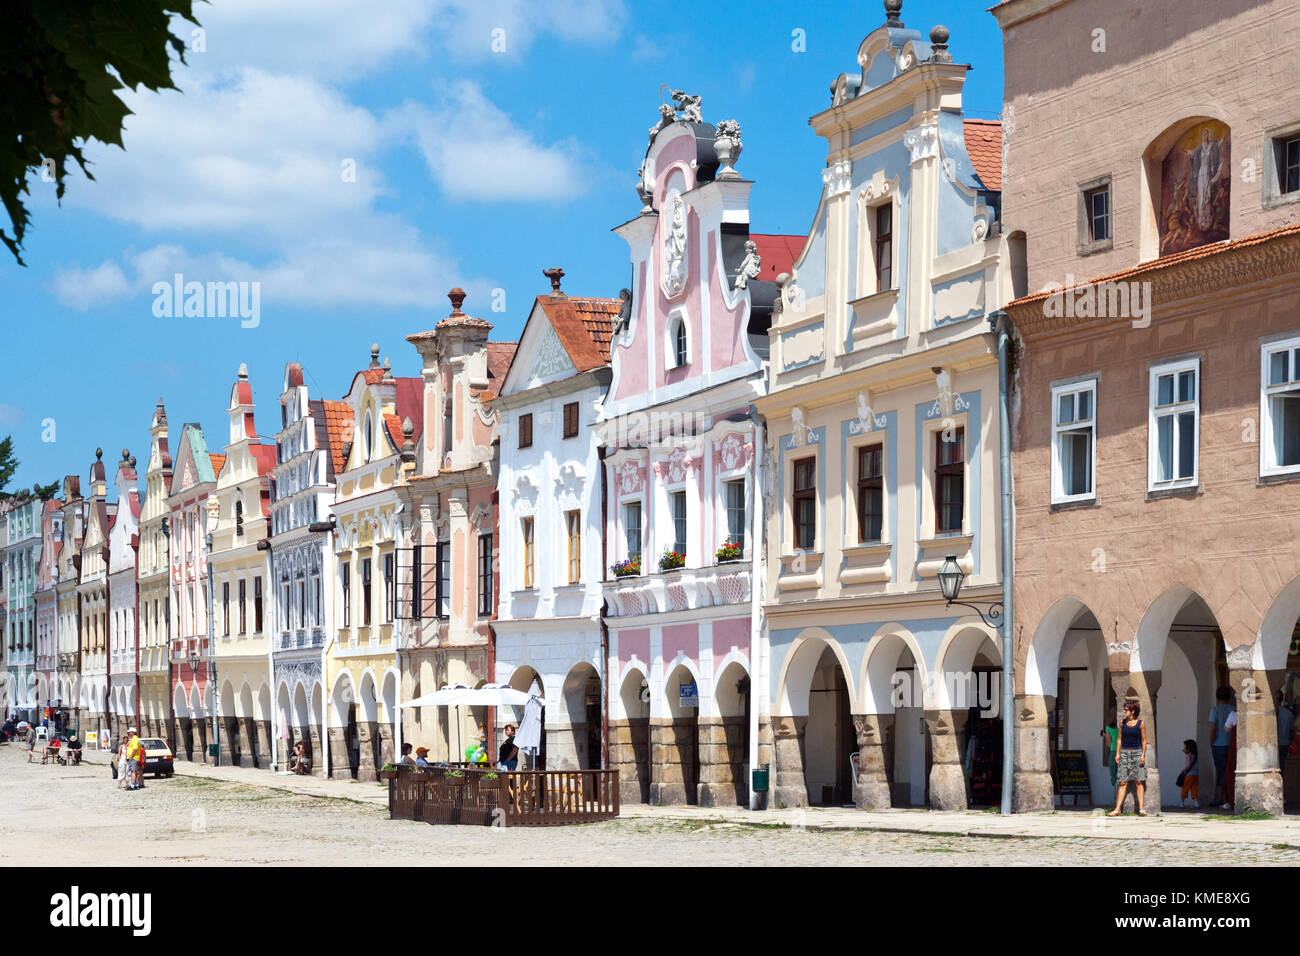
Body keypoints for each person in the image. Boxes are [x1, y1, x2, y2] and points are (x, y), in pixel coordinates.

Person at [1109, 700, 1149, 817]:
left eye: (1126, 709)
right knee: (1122, 782)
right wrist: (1117, 753)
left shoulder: (1140, 724)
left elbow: (1144, 740)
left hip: (1137, 753)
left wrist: (1143, 755)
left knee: (1138, 781)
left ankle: (1141, 808)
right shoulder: (1122, 723)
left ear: (1132, 711)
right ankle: (1117, 809)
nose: (1124, 711)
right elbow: (1119, 739)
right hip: (1124, 753)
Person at [1208, 686, 1235, 805]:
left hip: (1218, 744)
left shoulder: (1214, 710)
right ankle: (1227, 797)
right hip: (1230, 744)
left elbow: (1213, 729)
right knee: (1230, 771)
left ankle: (1218, 797)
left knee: (1220, 771)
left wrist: (1211, 742)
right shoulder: (1233, 709)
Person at [1277, 690, 1296, 776]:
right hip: (1285, 744)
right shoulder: (1289, 714)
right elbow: (1292, 730)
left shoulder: (1270, 712)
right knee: (1283, 768)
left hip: (1275, 744)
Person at [1222, 708, 1237, 811]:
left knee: (1231, 772)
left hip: (1235, 745)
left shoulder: (1233, 714)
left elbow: (1227, 729)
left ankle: (1231, 801)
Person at [1179, 739, 1199, 808]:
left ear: (1188, 748)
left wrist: (1183, 770)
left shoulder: (1189, 756)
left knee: (1185, 788)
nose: (1183, 749)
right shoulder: (1195, 755)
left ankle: (1182, 802)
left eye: (1184, 747)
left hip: (1189, 774)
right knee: (1194, 788)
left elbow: (1188, 765)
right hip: (1196, 774)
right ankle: (1196, 802)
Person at [1100, 720, 1119, 794]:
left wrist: (1105, 736)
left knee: (1113, 769)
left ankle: (1116, 788)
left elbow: (1109, 743)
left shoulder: (1108, 728)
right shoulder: (1121, 725)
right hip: (1123, 750)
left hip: (1114, 750)